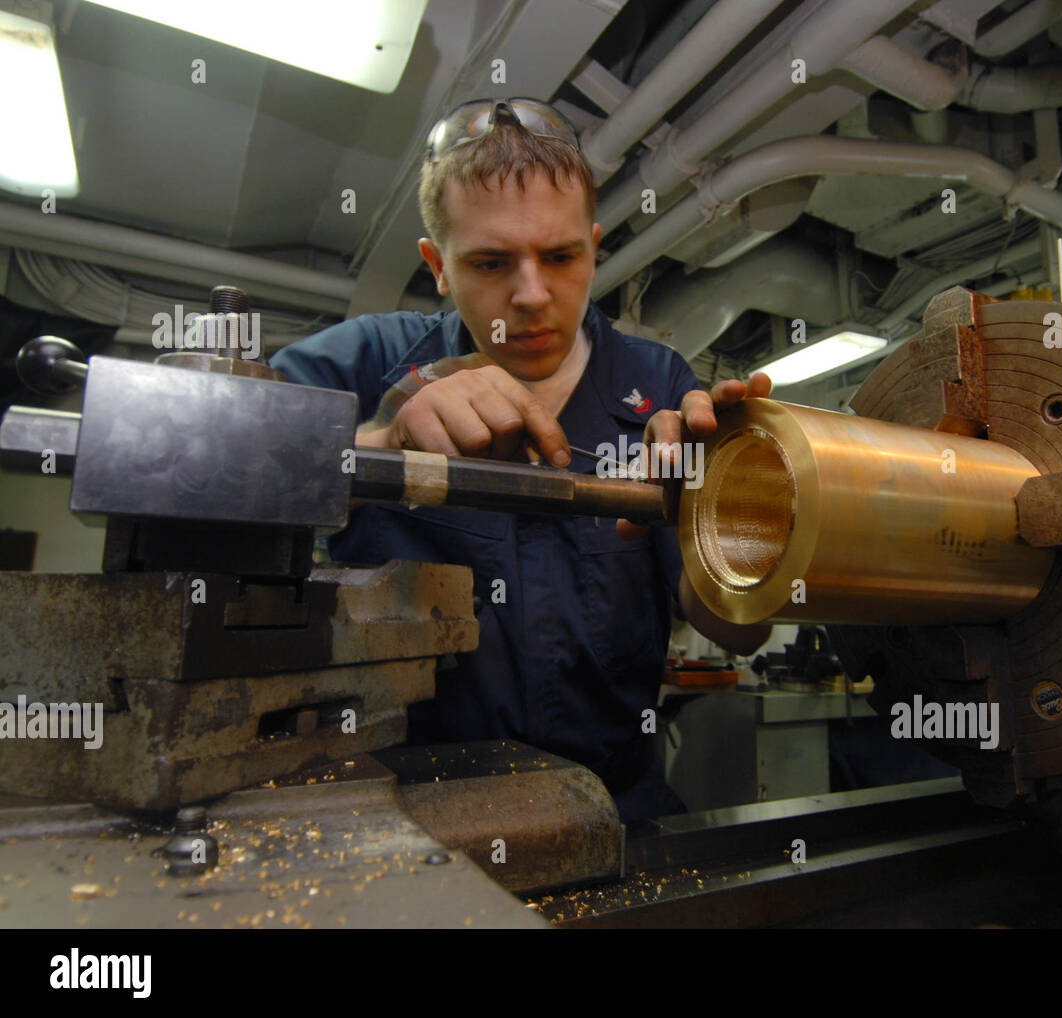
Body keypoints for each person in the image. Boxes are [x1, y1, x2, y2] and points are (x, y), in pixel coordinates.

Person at [271, 98, 770, 822]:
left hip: (614, 812)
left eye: (561, 257)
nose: (532, 296)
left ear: (594, 249)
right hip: (404, 819)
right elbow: (201, 484)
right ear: (438, 267)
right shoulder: (363, 362)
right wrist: (382, 445)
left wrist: (738, 527)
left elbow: (739, 631)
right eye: (491, 262)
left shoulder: (661, 387)